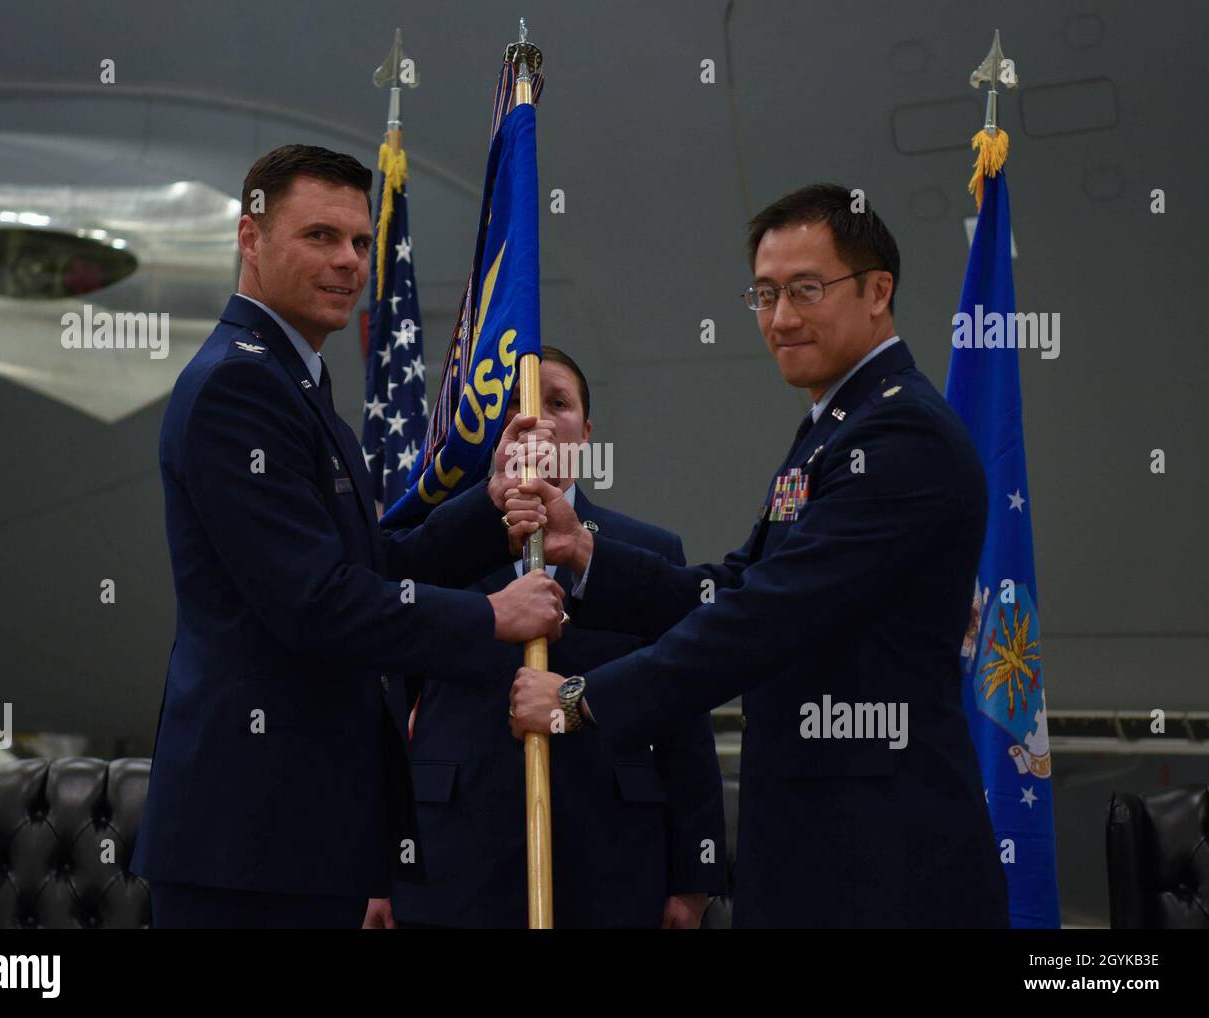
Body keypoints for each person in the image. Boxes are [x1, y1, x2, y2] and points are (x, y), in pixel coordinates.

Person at [510, 184, 1010, 928]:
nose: (780, 318)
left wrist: (582, 702)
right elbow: (738, 586)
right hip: (821, 845)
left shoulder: (903, 438)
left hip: (882, 862)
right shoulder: (835, 428)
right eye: (766, 294)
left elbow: (765, 618)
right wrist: (584, 551)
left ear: (879, 291)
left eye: (806, 290)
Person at [130, 144, 564, 928]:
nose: (350, 262)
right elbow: (316, 602)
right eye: (320, 237)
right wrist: (492, 617)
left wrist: (490, 505)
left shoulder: (291, 379)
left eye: (362, 242)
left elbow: (368, 563)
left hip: (292, 836)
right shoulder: (241, 386)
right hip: (249, 846)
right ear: (250, 237)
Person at [377, 347, 726, 929]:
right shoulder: (435, 547)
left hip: (610, 854)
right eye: (515, 405)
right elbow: (389, 702)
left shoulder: (648, 553)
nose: (536, 417)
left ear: (586, 432)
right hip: (451, 858)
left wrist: (693, 875)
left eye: (556, 402)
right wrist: (376, 868)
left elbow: (681, 712)